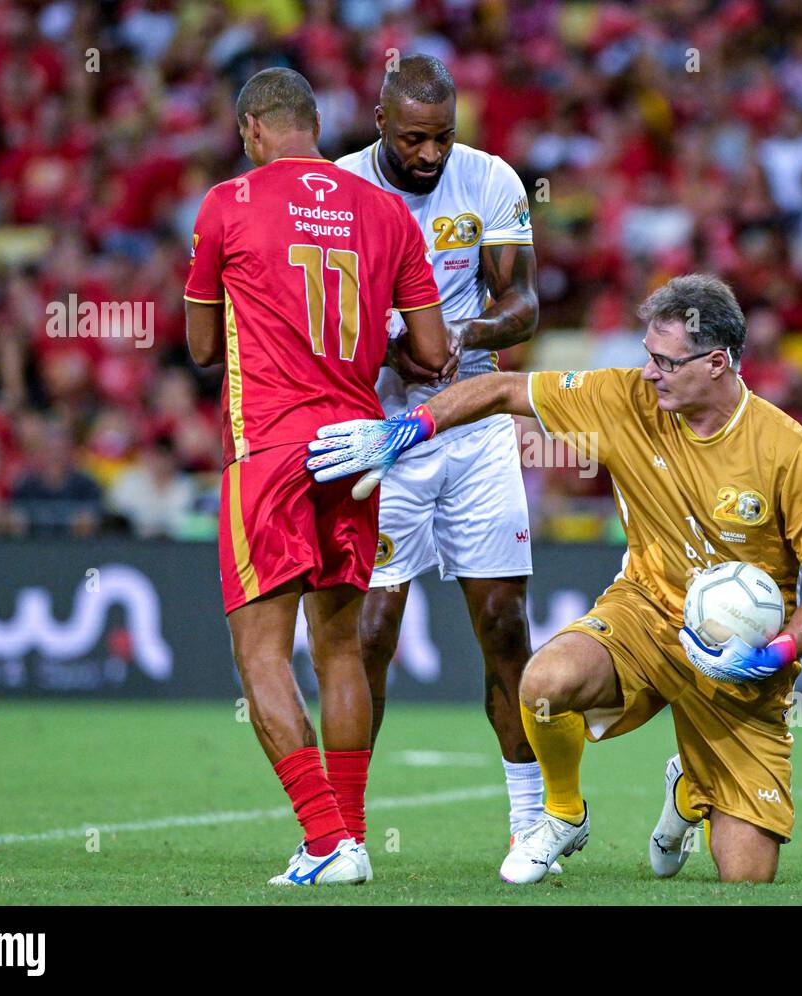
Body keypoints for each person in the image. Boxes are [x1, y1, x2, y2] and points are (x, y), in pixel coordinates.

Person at [307, 274, 802, 884]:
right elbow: (500, 389)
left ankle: (688, 789)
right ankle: (564, 813)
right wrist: (409, 428)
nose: (649, 372)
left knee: (747, 879)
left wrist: (774, 653)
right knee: (544, 682)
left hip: (740, 656)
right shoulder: (624, 398)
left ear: (716, 363)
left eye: (665, 361)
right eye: (648, 355)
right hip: (645, 618)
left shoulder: (792, 452)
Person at [184, 67, 447, 886]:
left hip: (270, 449)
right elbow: (435, 353)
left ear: (253, 130)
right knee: (340, 650)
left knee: (262, 656)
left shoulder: (227, 203)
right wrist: (378, 348)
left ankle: (327, 840)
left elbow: (201, 348)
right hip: (359, 451)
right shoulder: (386, 211)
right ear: (317, 127)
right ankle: (353, 838)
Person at [335, 55, 548, 855]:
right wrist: (388, 345)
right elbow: (321, 313)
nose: (429, 155)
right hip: (379, 428)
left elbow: (523, 300)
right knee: (371, 631)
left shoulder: (490, 179)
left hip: (475, 420)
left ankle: (532, 821)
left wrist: (468, 332)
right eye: (413, 139)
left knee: (503, 623)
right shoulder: (341, 188)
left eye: (442, 138)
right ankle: (344, 833)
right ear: (381, 122)